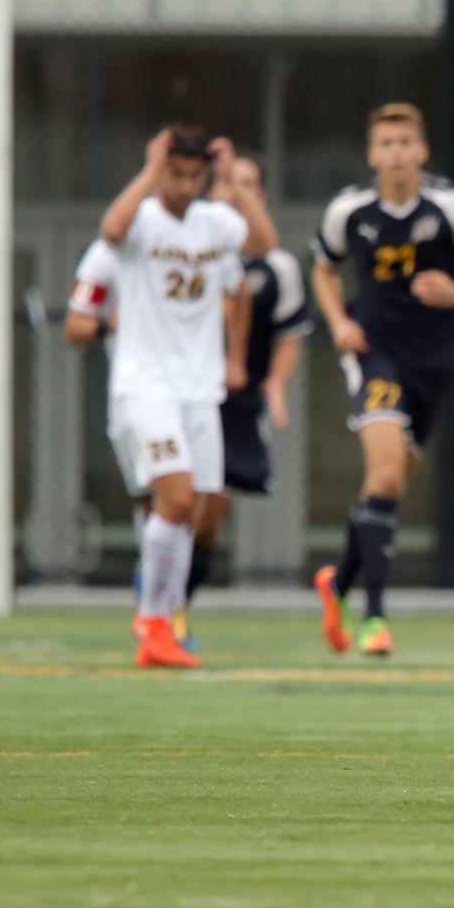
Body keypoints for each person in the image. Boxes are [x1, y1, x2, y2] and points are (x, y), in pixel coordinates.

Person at [312, 103, 454, 657]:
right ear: (372, 154)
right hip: (375, 356)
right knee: (384, 473)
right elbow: (323, 268)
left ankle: (339, 583)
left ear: (421, 151)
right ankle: (375, 617)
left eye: (405, 142)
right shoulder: (349, 210)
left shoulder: (452, 207)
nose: (396, 152)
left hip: (432, 363)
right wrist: (338, 321)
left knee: (391, 484)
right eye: (386, 143)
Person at [99, 127, 277, 668]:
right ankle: (151, 617)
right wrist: (151, 168)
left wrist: (231, 181)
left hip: (200, 389)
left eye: (190, 175)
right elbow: (111, 229)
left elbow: (264, 244)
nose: (182, 185)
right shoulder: (143, 220)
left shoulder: (214, 223)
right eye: (174, 174)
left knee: (192, 513)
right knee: (172, 500)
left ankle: (164, 619)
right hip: (146, 383)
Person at [188, 155, 309, 632]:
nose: (234, 192)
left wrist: (275, 385)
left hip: (237, 399)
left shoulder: (277, 265)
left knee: (211, 511)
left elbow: (288, 337)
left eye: (247, 185)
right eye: (225, 183)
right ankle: (160, 606)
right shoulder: (191, 245)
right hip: (185, 387)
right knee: (181, 499)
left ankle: (175, 604)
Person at [62, 236, 152, 568]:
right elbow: (75, 326)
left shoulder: (201, 242)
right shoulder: (107, 254)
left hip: (199, 394)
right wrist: (111, 324)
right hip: (138, 398)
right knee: (156, 501)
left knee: (200, 505)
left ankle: (169, 595)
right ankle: (156, 600)